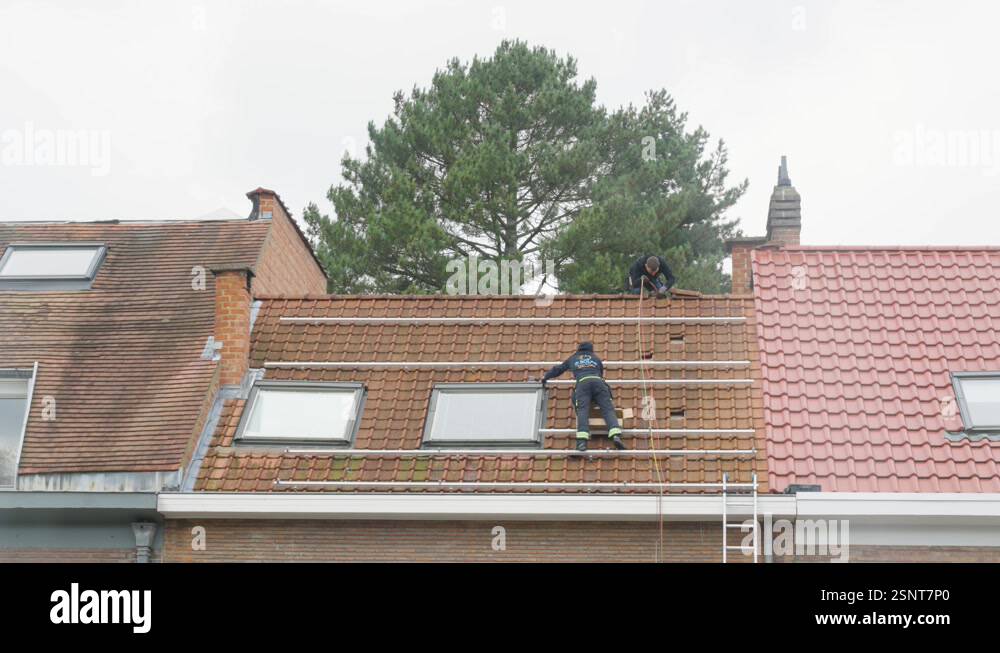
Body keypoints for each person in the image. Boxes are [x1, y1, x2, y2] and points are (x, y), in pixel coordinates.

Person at [541, 342, 626, 452]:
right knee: (608, 409)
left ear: (579, 349)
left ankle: (582, 442)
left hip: (583, 383)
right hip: (598, 382)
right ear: (591, 350)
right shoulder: (596, 359)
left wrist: (545, 377)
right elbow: (600, 372)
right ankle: (615, 435)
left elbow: (558, 369)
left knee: (583, 411)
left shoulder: (573, 358)